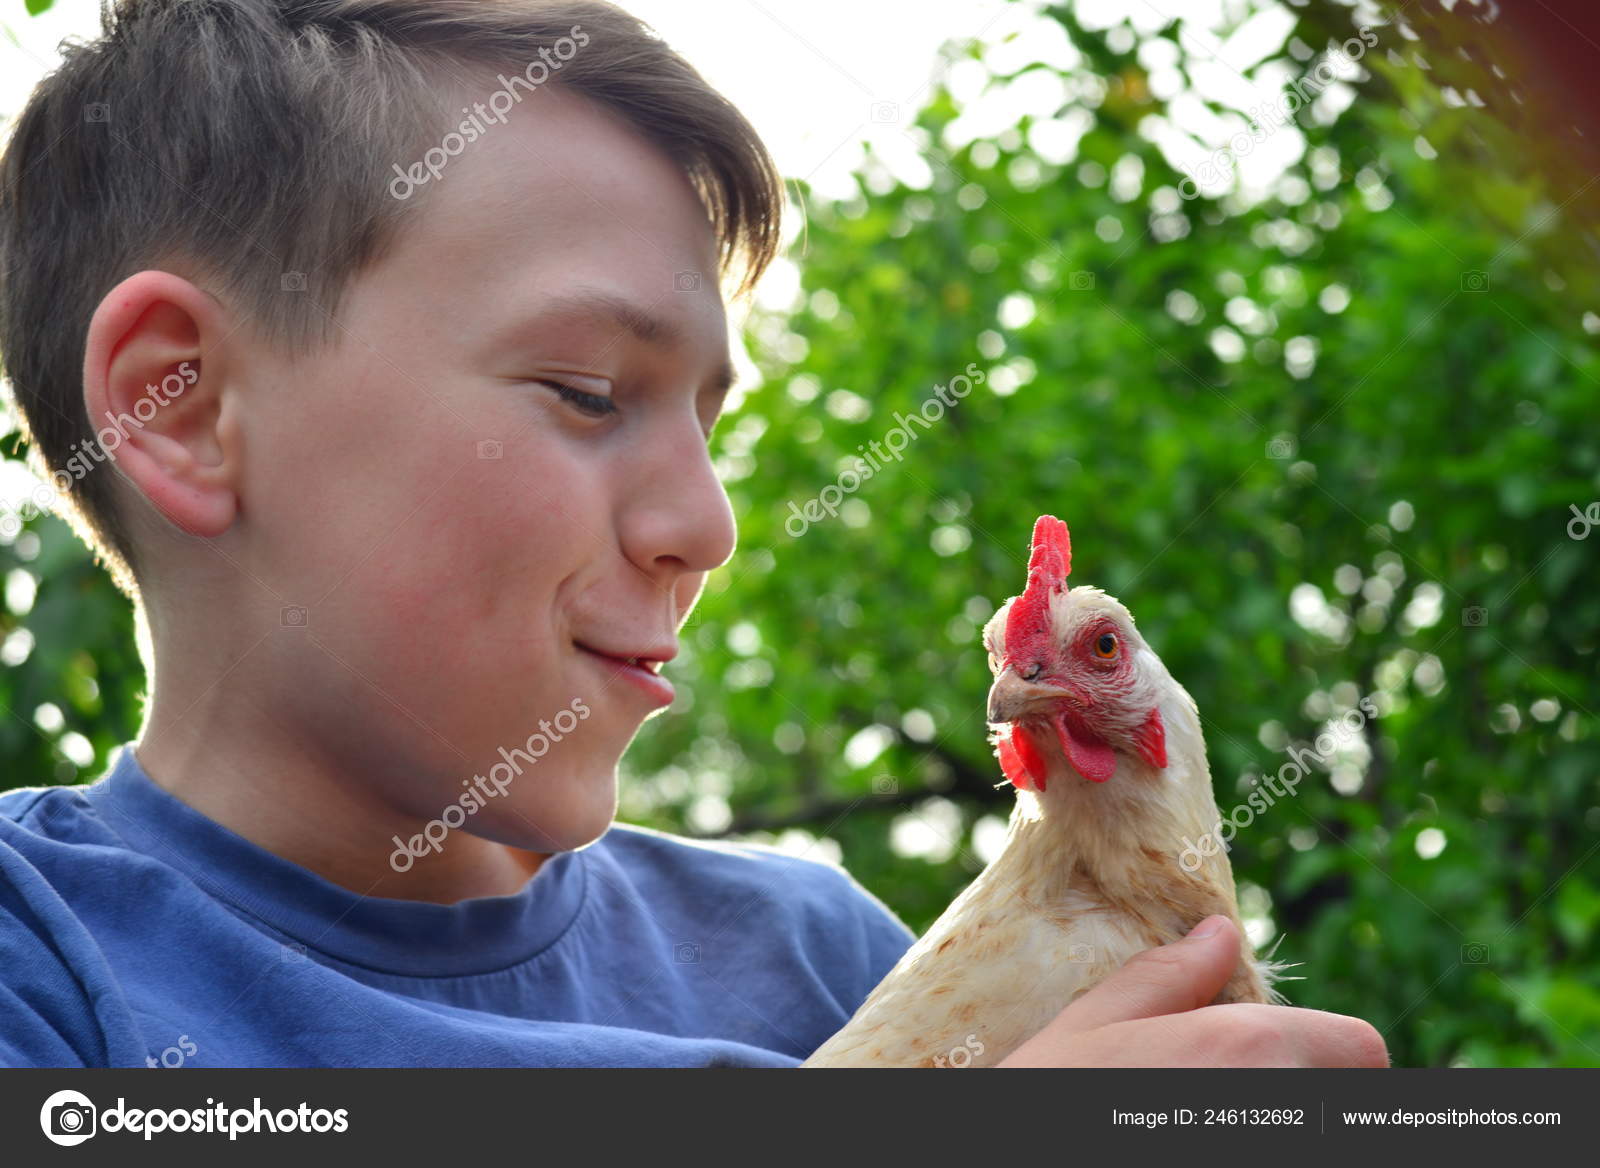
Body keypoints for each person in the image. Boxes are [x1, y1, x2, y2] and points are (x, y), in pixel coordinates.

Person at [0, 0, 1385, 1069]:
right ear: (176, 408)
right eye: (589, 393)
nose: (707, 525)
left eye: (707, 424)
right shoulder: (45, 968)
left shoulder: (823, 958)